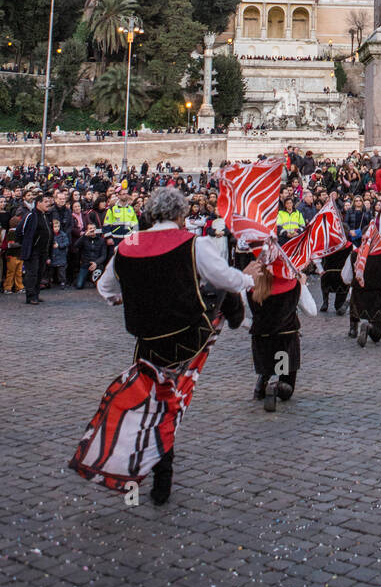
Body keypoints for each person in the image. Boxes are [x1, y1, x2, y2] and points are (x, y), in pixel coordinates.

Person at [96, 187, 254, 503]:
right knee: (168, 409)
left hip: (147, 343)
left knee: (151, 407)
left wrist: (124, 298)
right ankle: (161, 479)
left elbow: (105, 287)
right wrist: (249, 279)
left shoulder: (130, 243)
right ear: (181, 216)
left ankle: (151, 475)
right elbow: (223, 277)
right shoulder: (192, 243)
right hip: (187, 339)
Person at [246, 251, 316, 410]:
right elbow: (311, 311)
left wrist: (256, 325)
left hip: (261, 341)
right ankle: (275, 387)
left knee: (268, 366)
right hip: (284, 341)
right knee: (286, 384)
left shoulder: (251, 287)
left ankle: (261, 383)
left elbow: (242, 317)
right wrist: (303, 285)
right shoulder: (292, 285)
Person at [342, 228, 381, 346]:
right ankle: (369, 327)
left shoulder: (354, 254)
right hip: (379, 298)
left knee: (355, 307)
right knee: (377, 335)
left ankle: (353, 328)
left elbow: (346, 278)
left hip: (359, 297)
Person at [20, 189, 52, 305]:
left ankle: (36, 294)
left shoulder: (45, 216)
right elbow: (20, 231)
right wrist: (27, 244)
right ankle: (30, 296)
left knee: (39, 273)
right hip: (33, 250)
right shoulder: (30, 215)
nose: (48, 204)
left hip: (43, 250)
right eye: (45, 202)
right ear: (38, 203)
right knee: (32, 273)